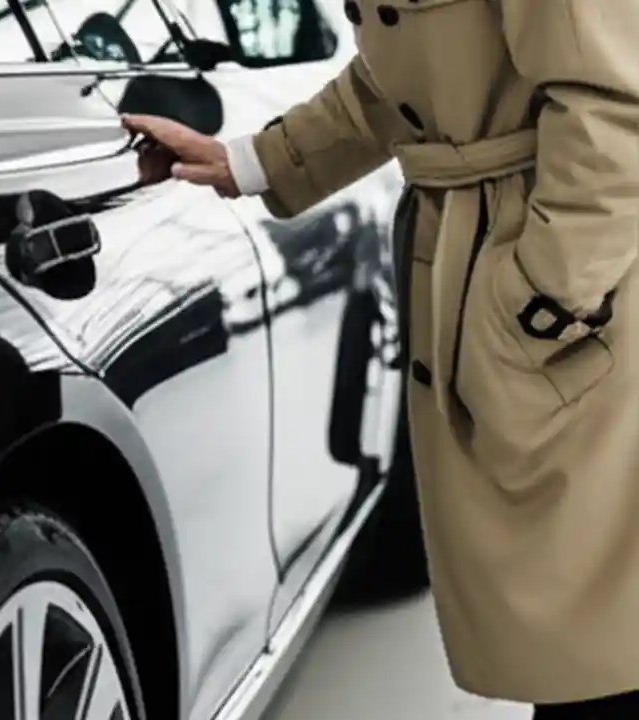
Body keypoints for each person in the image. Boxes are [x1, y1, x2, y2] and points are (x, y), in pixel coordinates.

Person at [122, 2, 637, 718]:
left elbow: (615, 102)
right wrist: (246, 159)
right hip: (507, 264)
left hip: (580, 291)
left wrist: (543, 299)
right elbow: (400, 73)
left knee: (602, 628)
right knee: (585, 641)